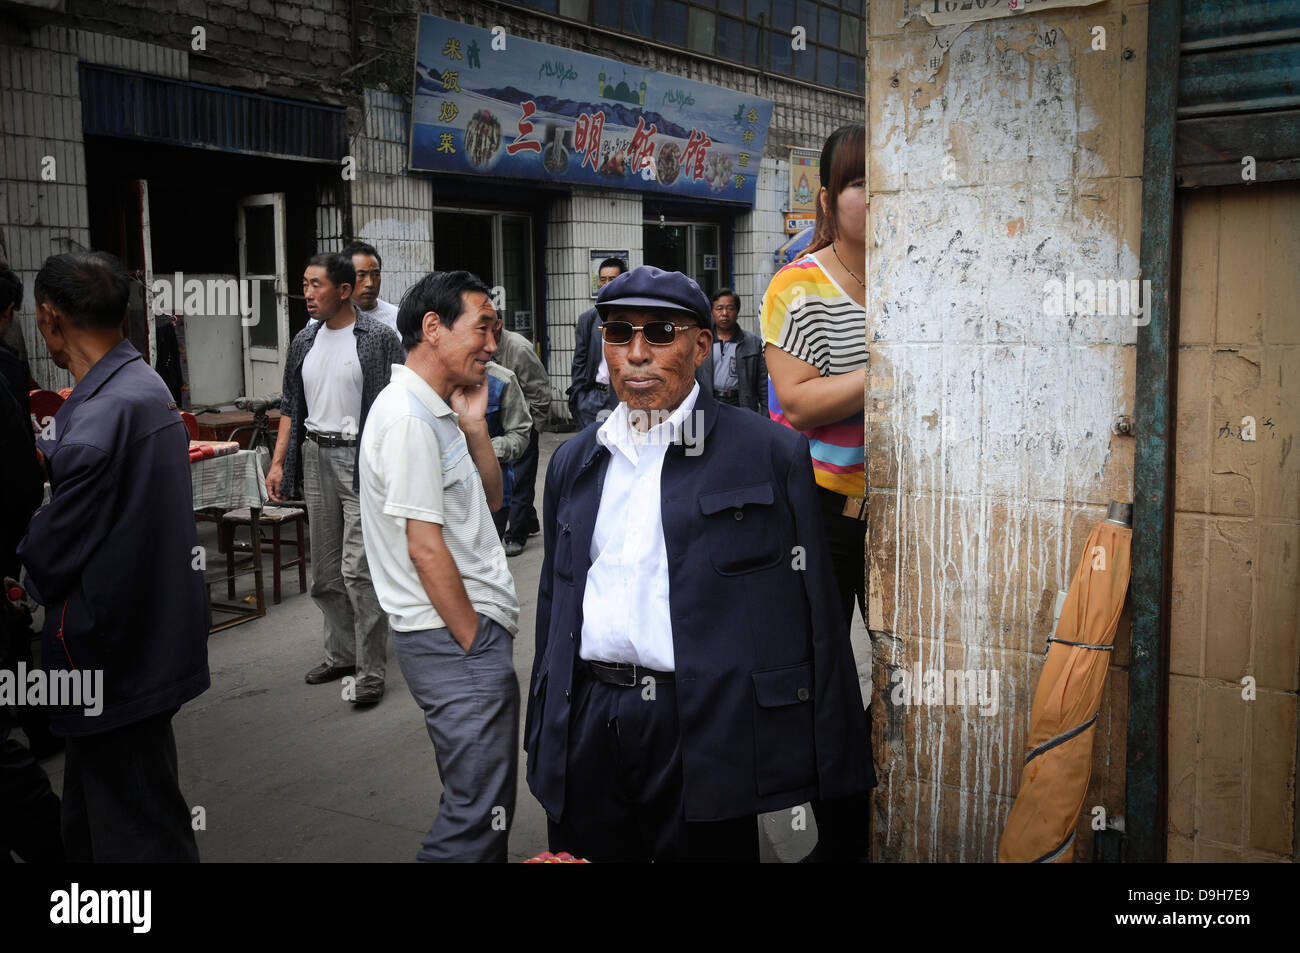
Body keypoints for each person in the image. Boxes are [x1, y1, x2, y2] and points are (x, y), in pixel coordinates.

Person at [526, 265, 874, 862]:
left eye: (660, 333)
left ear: (702, 346)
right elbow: (556, 607)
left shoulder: (766, 452)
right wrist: (543, 728)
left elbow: (816, 613)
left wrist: (830, 764)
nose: (636, 354)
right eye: (618, 333)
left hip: (703, 728)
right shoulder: (576, 461)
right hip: (589, 722)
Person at [18, 251, 209, 862]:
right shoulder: (142, 384)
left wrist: (22, 562)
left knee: (137, 830)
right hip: (145, 642)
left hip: (113, 652)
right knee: (99, 816)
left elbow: (50, 556)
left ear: (50, 318)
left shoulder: (105, 412)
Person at [358, 270, 519, 862]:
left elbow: (492, 500)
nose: (492, 345)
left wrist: (475, 425)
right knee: (474, 818)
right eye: (482, 328)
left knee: (480, 802)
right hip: (453, 640)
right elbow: (424, 547)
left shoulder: (437, 411)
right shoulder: (405, 418)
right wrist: (475, 643)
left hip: (461, 638)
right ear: (433, 328)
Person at [761, 123, 873, 861]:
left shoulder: (927, 278)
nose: (879, 197)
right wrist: (894, 372)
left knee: (913, 671)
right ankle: (825, 834)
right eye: (862, 181)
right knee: (823, 676)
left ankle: (872, 808)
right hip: (823, 513)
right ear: (830, 199)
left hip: (907, 511)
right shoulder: (797, 283)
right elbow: (797, 403)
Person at [266, 253, 405, 707]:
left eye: (316, 285)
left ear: (343, 291)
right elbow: (290, 405)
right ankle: (341, 655)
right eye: (304, 284)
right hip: (315, 456)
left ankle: (369, 671)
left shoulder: (379, 338)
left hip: (362, 460)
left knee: (358, 571)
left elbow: (397, 405)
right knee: (325, 572)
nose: (307, 293)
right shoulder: (304, 341)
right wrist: (278, 462)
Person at [490, 317, 549, 556]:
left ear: (500, 324)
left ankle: (516, 534)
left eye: (488, 325)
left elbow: (539, 389)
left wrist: (534, 426)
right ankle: (529, 519)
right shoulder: (481, 346)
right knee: (507, 476)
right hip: (498, 423)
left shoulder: (518, 348)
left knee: (521, 479)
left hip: (523, 423)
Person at [567, 257, 625, 428]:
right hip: (593, 398)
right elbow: (579, 360)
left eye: (612, 279)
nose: (606, 284)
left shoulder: (632, 318)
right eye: (602, 279)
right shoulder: (588, 319)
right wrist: (579, 397)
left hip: (623, 397)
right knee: (591, 450)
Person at [697, 288, 767, 414]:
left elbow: (763, 384)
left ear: (737, 311)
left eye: (730, 308)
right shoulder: (701, 343)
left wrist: (765, 415)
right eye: (719, 308)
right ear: (712, 312)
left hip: (741, 405)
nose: (724, 313)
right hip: (709, 402)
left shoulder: (753, 342)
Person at [484, 359, 532, 539]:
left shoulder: (501, 380)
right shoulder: (433, 379)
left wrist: (482, 450)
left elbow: (520, 433)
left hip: (493, 493)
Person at [308, 241, 399, 333]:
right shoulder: (322, 321)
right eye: (361, 275)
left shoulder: (397, 317)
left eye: (376, 274)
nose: (370, 283)